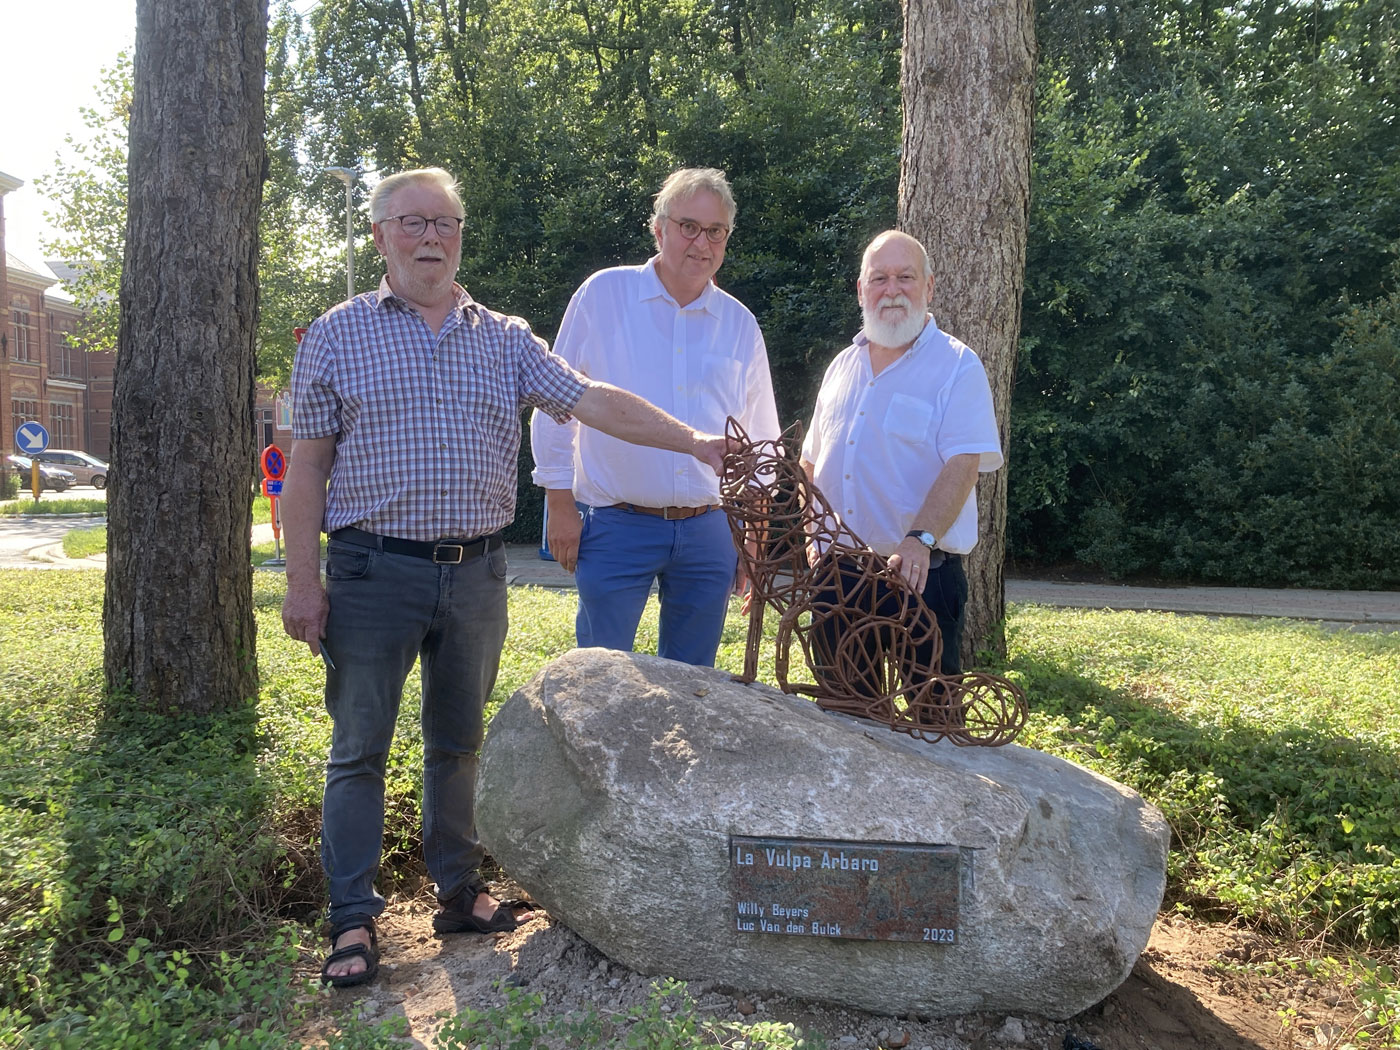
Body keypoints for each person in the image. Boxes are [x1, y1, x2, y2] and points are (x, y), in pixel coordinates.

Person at [280, 167, 727, 988]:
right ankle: (351, 917)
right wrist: (301, 579)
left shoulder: (504, 336)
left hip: (479, 575)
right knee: (359, 750)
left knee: (458, 743)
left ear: (460, 237)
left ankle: (457, 890)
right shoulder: (336, 334)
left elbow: (592, 401)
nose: (431, 239)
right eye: (412, 223)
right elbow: (305, 468)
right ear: (380, 236)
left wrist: (694, 442)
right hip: (372, 571)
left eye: (446, 224)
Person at [529, 167, 779, 667]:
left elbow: (761, 435)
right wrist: (559, 502)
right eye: (688, 226)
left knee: (693, 683)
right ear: (658, 228)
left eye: (715, 232)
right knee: (600, 675)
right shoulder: (604, 295)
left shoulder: (740, 324)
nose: (701, 243)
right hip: (617, 525)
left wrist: (754, 530)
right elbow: (557, 403)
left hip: (710, 530)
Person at [799, 229, 1005, 678]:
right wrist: (813, 539)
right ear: (860, 290)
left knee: (932, 721)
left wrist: (919, 540)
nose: (891, 290)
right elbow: (811, 462)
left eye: (905, 277)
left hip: (921, 574)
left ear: (928, 287)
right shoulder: (841, 367)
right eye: (879, 278)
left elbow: (965, 463)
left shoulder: (957, 365)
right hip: (839, 578)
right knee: (842, 714)